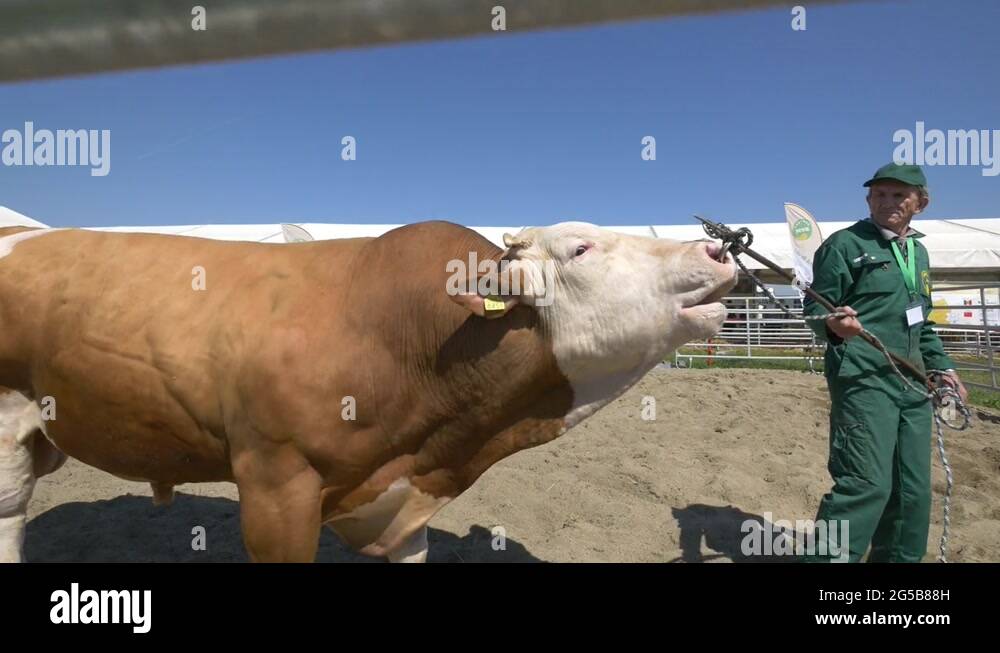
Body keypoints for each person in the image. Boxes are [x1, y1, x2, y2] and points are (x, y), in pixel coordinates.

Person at [802, 162, 967, 562]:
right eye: (880, 194)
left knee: (912, 491)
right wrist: (834, 325)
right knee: (866, 485)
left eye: (899, 195)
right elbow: (813, 309)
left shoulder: (918, 252)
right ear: (868, 198)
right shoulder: (843, 245)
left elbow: (920, 320)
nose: (887, 202)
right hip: (863, 379)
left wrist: (943, 367)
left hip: (912, 383)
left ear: (920, 203)